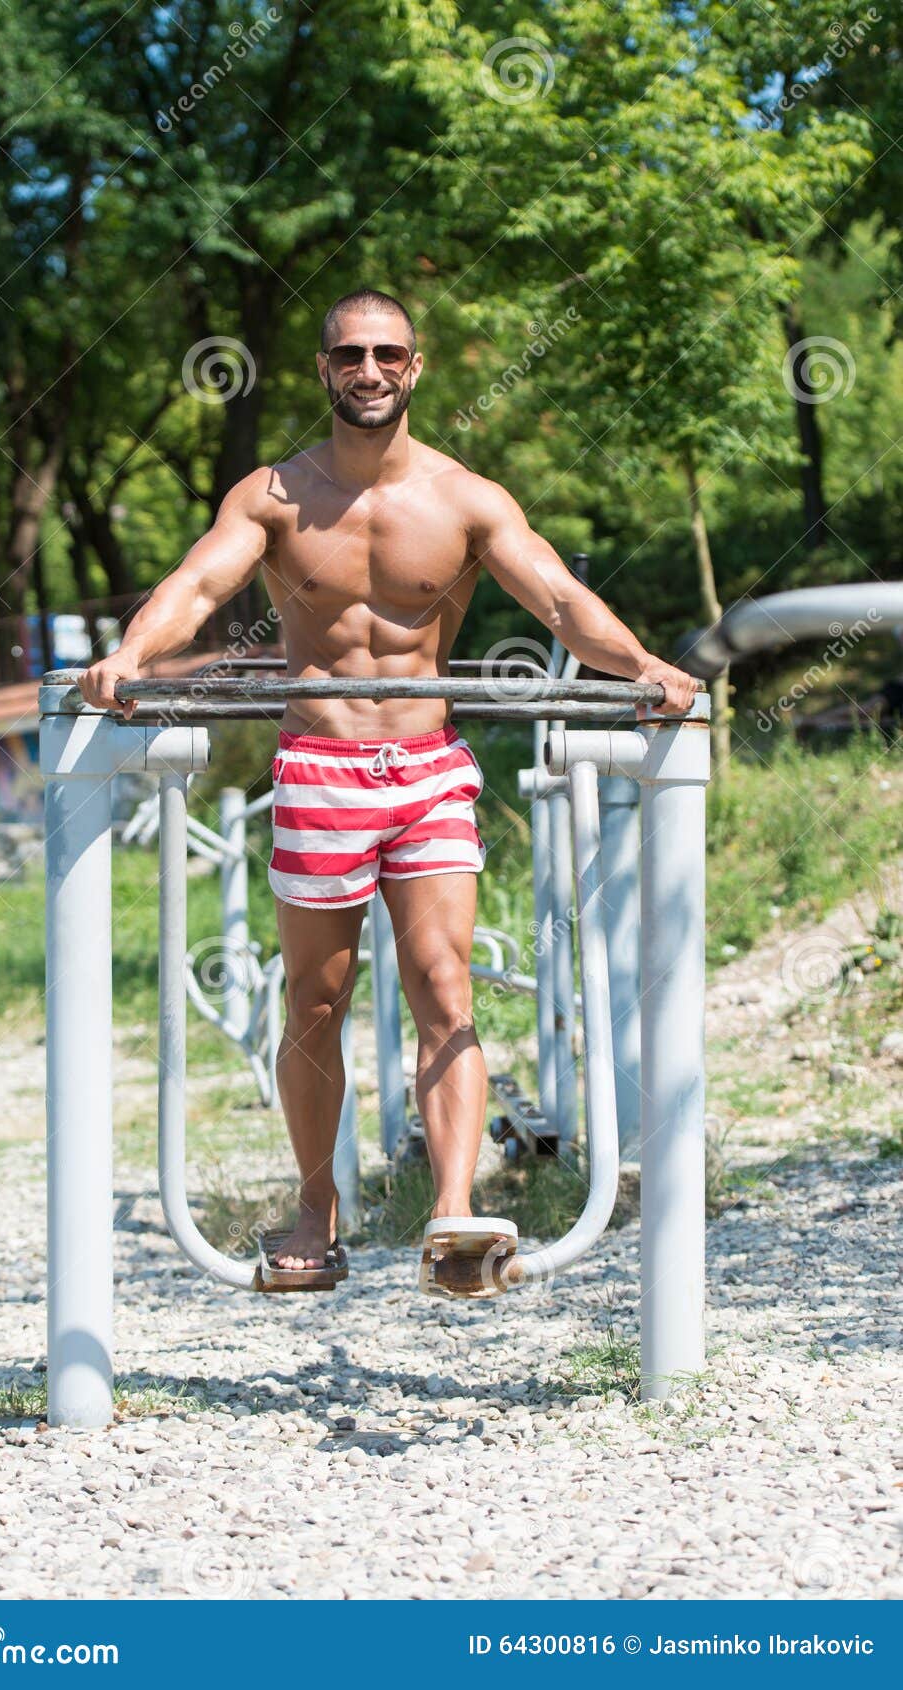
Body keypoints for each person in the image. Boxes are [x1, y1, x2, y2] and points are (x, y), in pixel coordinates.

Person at [80, 287, 697, 1287]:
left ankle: (453, 1214)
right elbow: (198, 588)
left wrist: (646, 668)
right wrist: (127, 657)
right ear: (324, 370)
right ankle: (314, 1207)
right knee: (314, 1005)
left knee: (444, 988)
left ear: (416, 368)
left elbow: (559, 598)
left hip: (426, 767)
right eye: (350, 354)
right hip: (318, 767)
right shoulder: (272, 495)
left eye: (389, 354)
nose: (370, 369)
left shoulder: (465, 498)